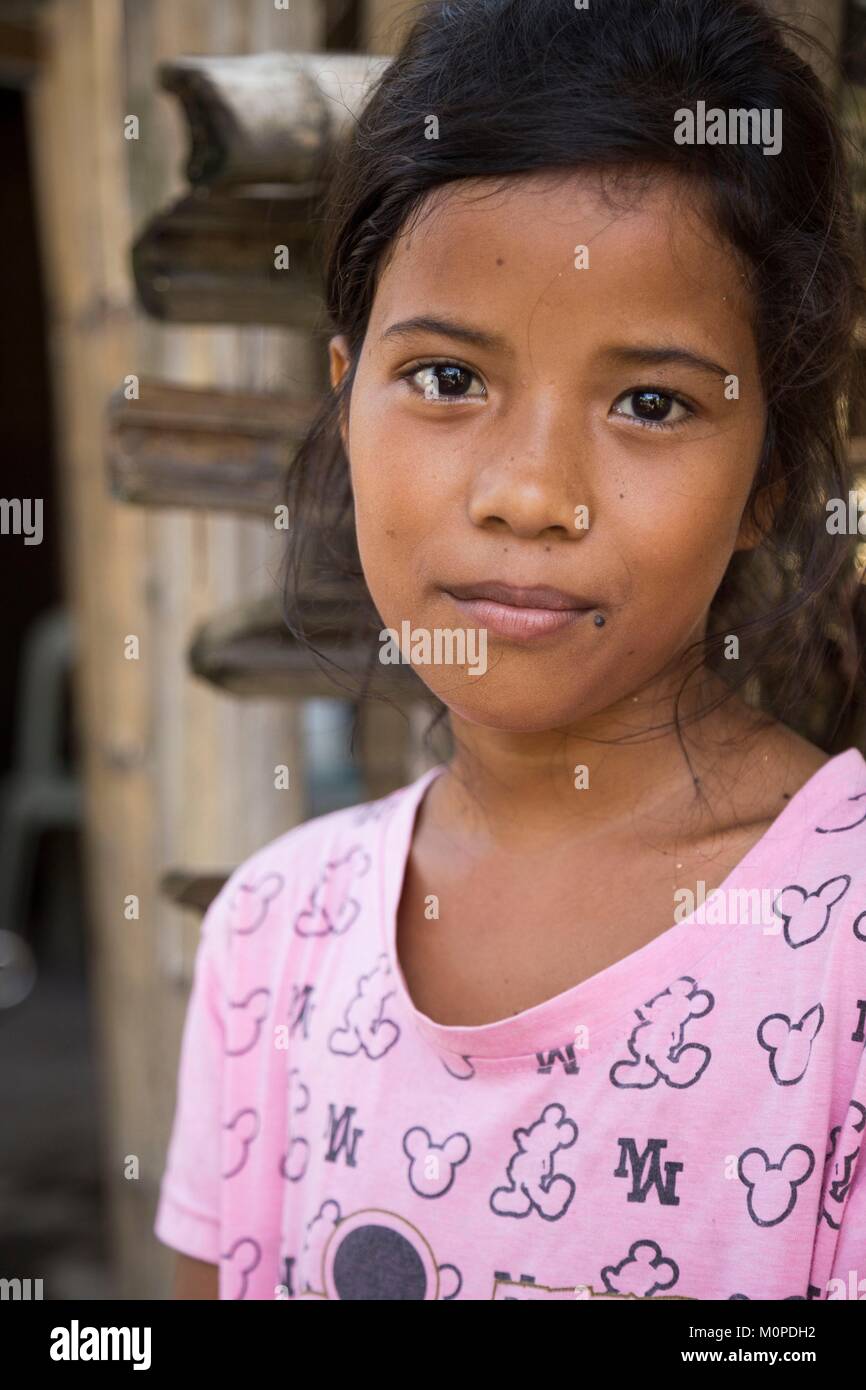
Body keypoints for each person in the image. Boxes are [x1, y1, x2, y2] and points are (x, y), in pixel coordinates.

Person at [155, 0, 866, 1300]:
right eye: (443, 378)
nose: (530, 493)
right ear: (347, 390)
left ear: (767, 475)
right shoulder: (272, 940)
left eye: (649, 403)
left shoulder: (837, 954)